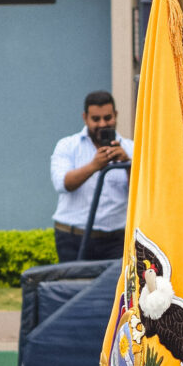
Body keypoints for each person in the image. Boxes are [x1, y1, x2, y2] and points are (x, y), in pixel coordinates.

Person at [49, 90, 134, 264]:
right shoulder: (67, 146)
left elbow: (142, 193)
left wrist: (127, 164)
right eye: (96, 119)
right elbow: (62, 184)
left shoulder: (130, 148)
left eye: (107, 118)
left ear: (115, 115)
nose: (103, 124)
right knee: (73, 289)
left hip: (116, 240)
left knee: (114, 291)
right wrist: (94, 166)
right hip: (73, 237)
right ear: (85, 118)